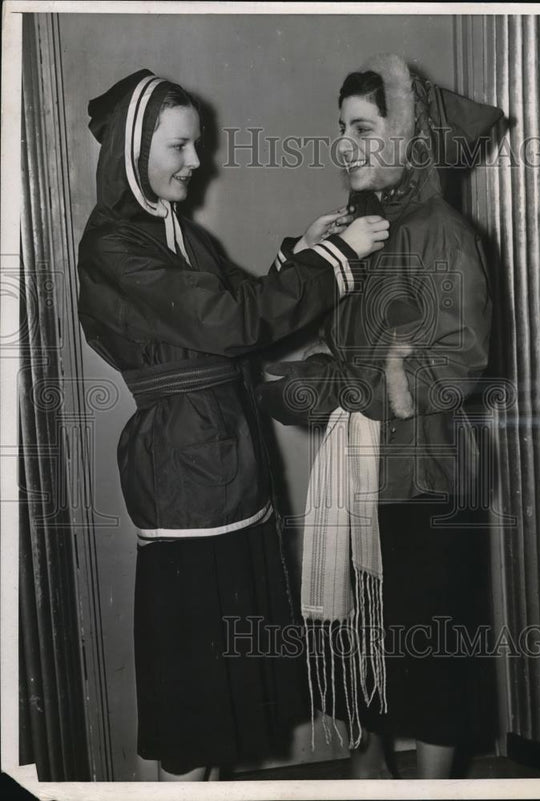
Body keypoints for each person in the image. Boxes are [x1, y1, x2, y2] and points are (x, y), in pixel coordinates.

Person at [76, 69, 390, 779]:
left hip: (222, 475)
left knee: (218, 719)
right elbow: (228, 322)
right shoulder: (112, 245)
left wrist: (298, 252)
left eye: (197, 146)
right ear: (133, 151)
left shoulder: (167, 231)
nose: (196, 162)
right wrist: (335, 259)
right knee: (194, 723)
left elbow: (231, 312)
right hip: (191, 488)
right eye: (180, 147)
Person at [259, 53, 502, 779]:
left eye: (364, 127)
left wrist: (343, 384)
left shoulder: (446, 235)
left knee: (427, 651)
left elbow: (456, 362)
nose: (344, 144)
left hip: (422, 475)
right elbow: (310, 345)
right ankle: (370, 771)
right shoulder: (361, 231)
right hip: (360, 470)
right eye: (341, 128)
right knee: (358, 634)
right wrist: (304, 262)